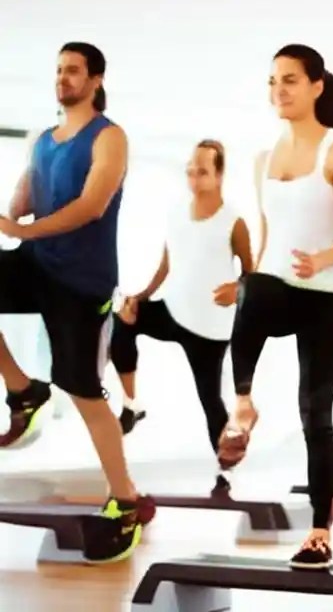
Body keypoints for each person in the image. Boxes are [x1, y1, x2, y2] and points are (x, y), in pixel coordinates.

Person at [0, 42, 155, 563]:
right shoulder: (43, 140)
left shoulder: (109, 138)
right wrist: (12, 218)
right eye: (59, 70)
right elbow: (21, 203)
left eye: (73, 71)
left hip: (81, 282)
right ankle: (24, 392)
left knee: (85, 390)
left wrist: (26, 228)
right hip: (36, 264)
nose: (63, 78)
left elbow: (91, 207)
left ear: (95, 80)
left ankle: (126, 501)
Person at [216, 44, 333, 570]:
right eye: (274, 81)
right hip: (275, 289)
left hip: (324, 298)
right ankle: (242, 405)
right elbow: (264, 237)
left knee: (315, 417)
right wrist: (243, 283)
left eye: (291, 80)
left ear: (317, 86)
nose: (280, 90)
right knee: (253, 288)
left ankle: (320, 531)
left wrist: (321, 258)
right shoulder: (261, 159)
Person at [109, 140, 252, 479]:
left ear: (219, 175)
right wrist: (140, 298)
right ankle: (132, 406)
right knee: (124, 321)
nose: (194, 177)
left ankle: (226, 470)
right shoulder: (175, 213)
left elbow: (251, 274)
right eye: (190, 170)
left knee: (210, 401)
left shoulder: (234, 222)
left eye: (202, 171)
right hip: (173, 312)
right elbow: (167, 264)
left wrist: (238, 288)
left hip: (210, 329)